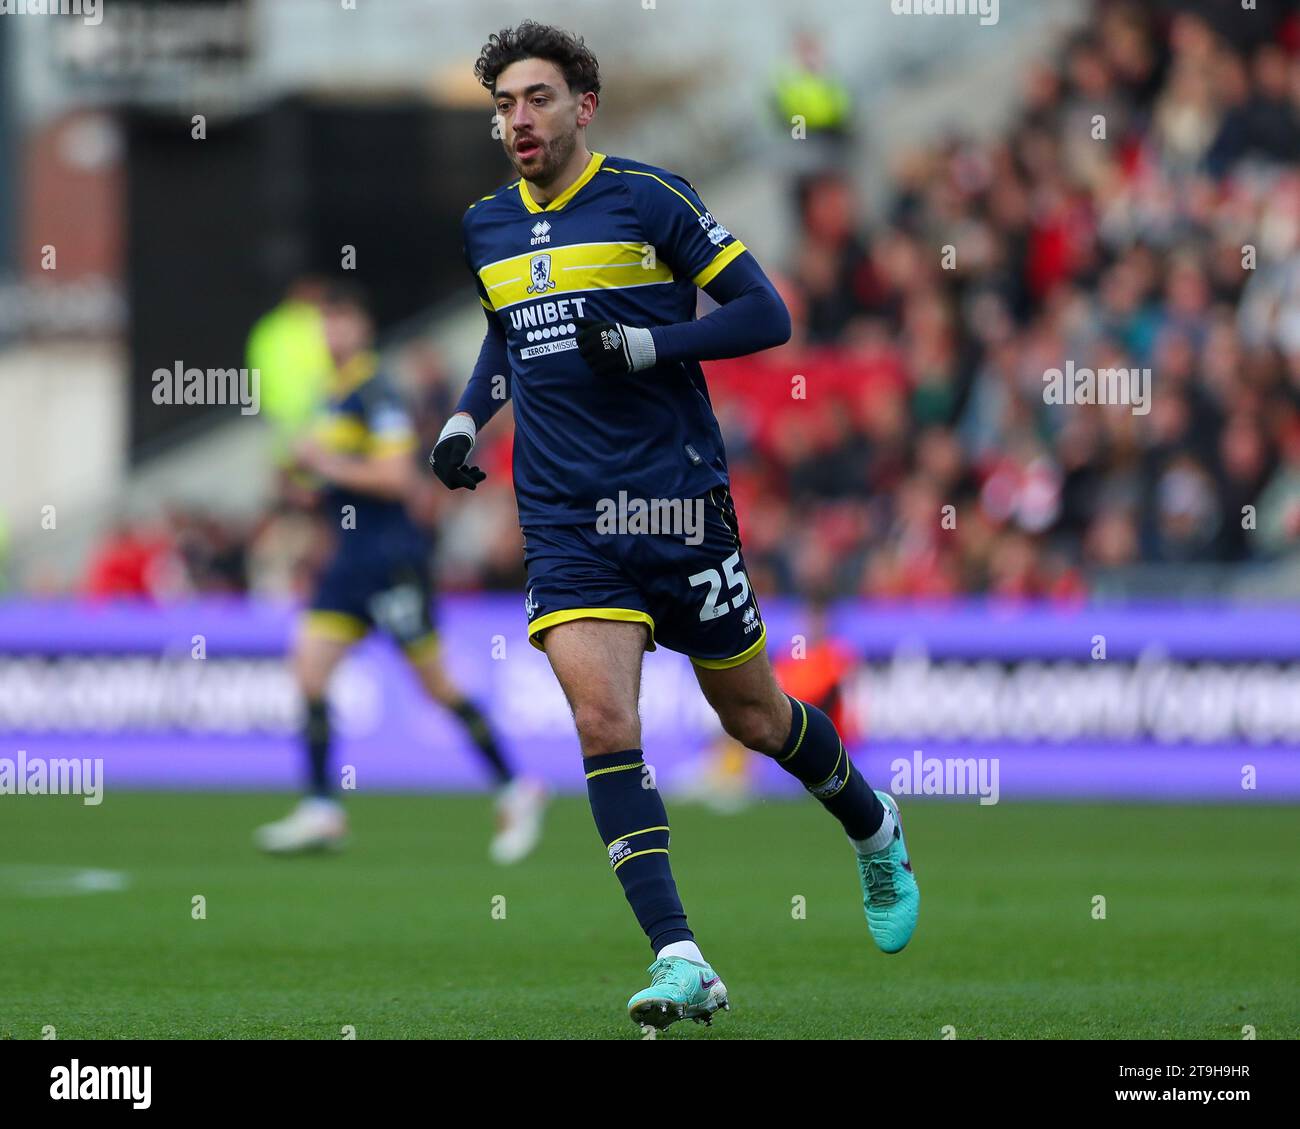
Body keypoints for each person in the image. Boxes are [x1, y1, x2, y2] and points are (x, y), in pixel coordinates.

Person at [429, 22, 918, 1030]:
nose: (518, 120)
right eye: (504, 105)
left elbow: (766, 313)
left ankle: (873, 828)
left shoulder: (649, 198)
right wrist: (465, 419)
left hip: (674, 502)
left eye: (536, 99)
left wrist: (649, 345)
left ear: (583, 106)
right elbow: (506, 333)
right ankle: (680, 955)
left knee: (755, 717)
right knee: (604, 723)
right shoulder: (485, 225)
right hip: (565, 516)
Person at [256, 284, 546, 863]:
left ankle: (516, 787)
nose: (331, 333)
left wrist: (325, 463)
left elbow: (396, 478)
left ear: (362, 328)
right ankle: (321, 808)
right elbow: (331, 479)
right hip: (349, 561)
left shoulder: (377, 391)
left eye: (341, 321)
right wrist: (304, 479)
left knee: (436, 685)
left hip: (391, 561)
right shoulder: (331, 395)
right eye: (324, 324)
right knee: (309, 669)